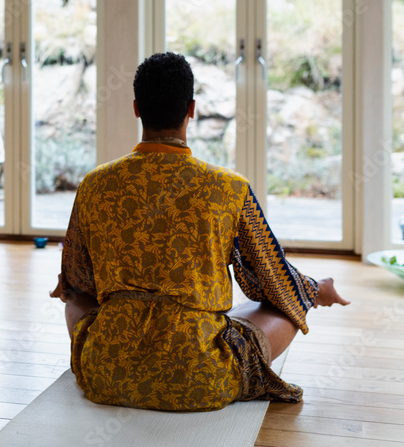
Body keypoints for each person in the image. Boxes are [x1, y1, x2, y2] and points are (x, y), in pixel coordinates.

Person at [50, 52, 350, 411]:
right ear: (191, 109)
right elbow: (272, 277)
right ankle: (313, 293)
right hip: (201, 375)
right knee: (289, 301)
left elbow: (78, 277)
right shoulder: (228, 187)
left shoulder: (95, 184)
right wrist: (314, 289)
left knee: (72, 293)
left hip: (108, 373)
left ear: (136, 108)